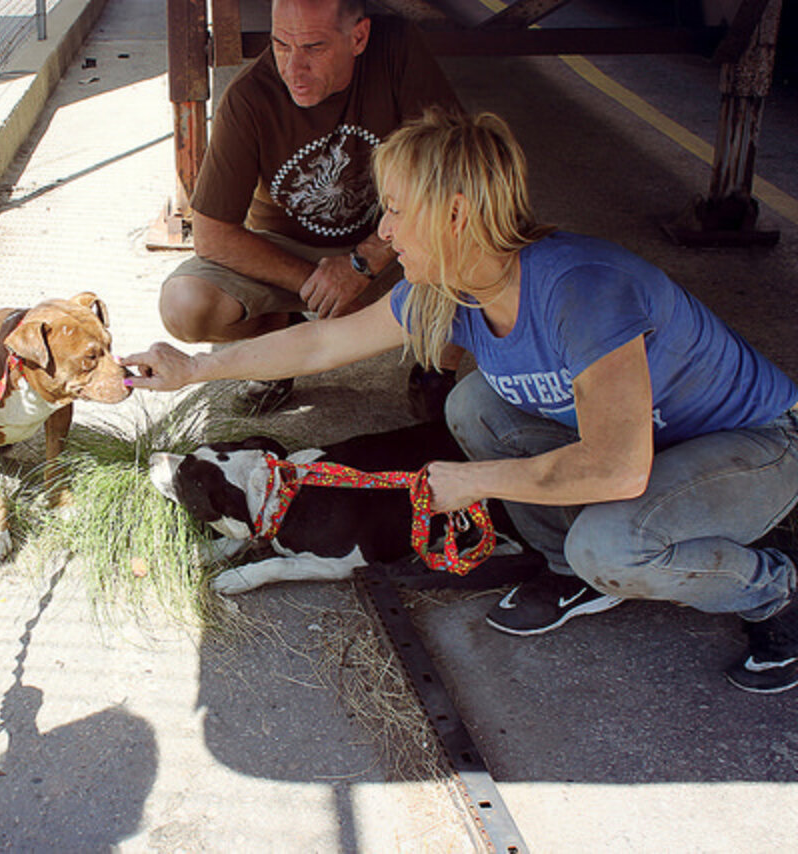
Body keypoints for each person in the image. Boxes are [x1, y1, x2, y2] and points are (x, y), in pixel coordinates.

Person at [124, 108, 798, 694]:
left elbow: (618, 467)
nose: (385, 231)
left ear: (455, 213)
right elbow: (322, 343)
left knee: (610, 546)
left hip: (758, 442)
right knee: (474, 404)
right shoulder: (450, 287)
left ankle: (775, 592)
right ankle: (567, 569)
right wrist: (193, 367)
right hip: (652, 445)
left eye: (396, 209)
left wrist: (477, 481)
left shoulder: (582, 289)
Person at [160, 0, 462, 416]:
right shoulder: (249, 97)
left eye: (314, 48)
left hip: (390, 240)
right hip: (286, 252)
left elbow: (455, 167)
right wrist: (317, 286)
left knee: (473, 225)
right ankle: (280, 341)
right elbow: (211, 236)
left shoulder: (397, 48)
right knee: (184, 304)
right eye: (281, 45)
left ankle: (437, 370)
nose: (293, 70)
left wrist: (363, 262)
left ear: (359, 37)